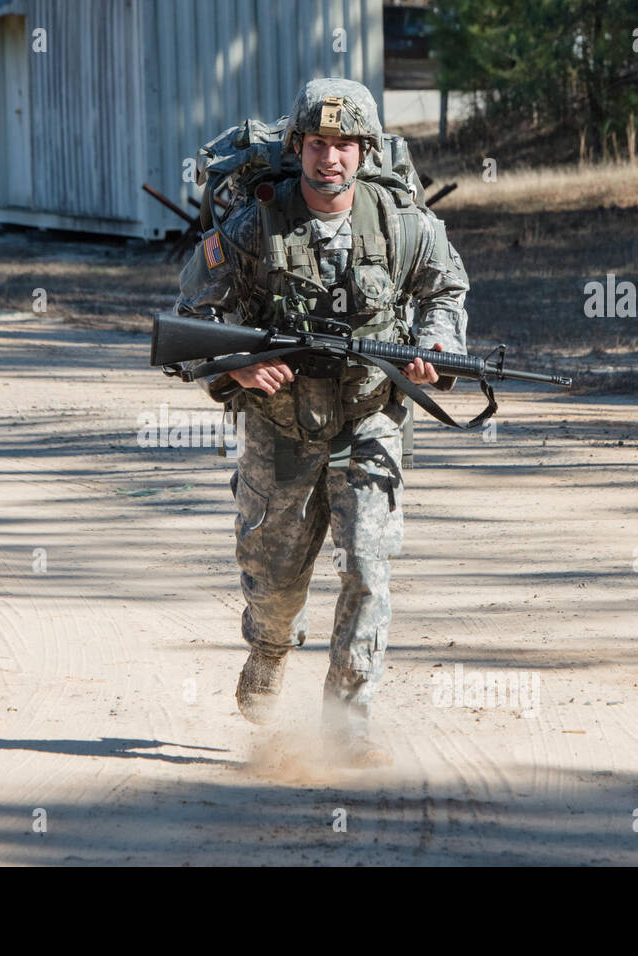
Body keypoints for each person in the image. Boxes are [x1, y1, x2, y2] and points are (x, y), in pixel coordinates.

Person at [174, 78, 470, 768]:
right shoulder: (253, 226)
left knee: (368, 567)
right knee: (273, 580)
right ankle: (270, 648)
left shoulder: (401, 223)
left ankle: (346, 727)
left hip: (370, 418)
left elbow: (445, 291)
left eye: (343, 144)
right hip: (280, 427)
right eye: (317, 143)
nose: (329, 157)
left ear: (364, 151)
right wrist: (237, 367)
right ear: (297, 148)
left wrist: (438, 349)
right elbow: (190, 314)